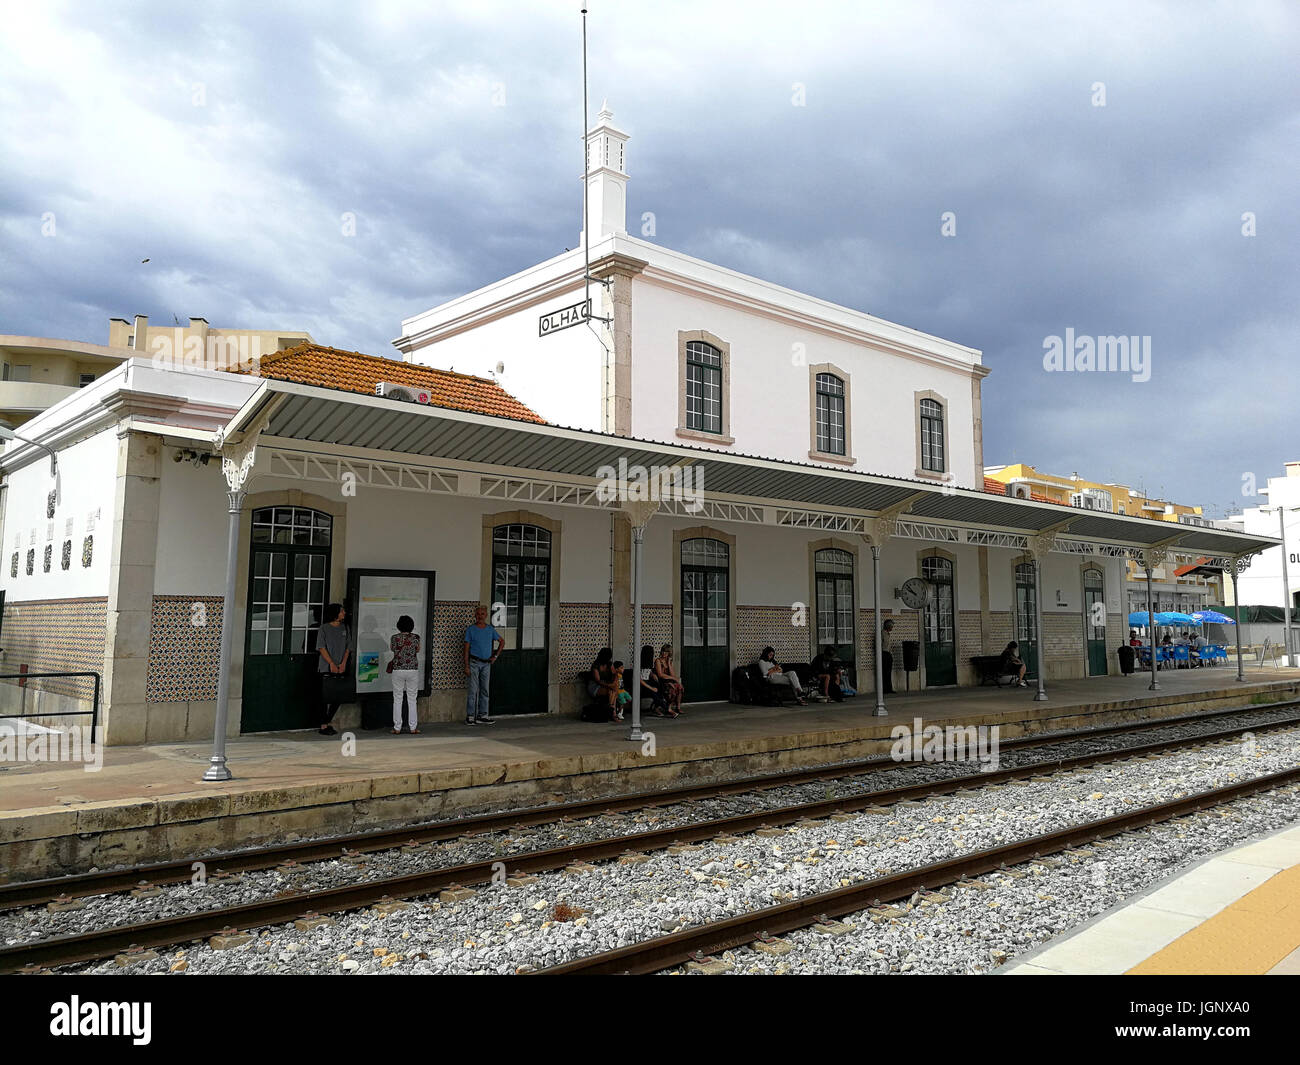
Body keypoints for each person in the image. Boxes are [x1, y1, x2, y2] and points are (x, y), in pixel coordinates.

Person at [463, 605, 504, 724]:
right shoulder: (471, 629)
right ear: (475, 615)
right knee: (473, 690)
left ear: (486, 616)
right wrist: (466, 665)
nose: (480, 616)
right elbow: (466, 648)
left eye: (482, 614)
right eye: (478, 614)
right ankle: (470, 716)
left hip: (486, 664)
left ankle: (483, 715)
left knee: (485, 689)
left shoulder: (490, 629)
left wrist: (495, 656)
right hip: (474, 662)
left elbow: (502, 641)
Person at [317, 603, 350, 735]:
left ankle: (326, 721)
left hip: (341, 666)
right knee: (325, 696)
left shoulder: (345, 628)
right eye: (342, 611)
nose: (344, 613)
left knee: (338, 695)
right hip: (326, 666)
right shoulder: (324, 628)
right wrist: (331, 663)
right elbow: (321, 647)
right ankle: (324, 724)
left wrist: (343, 664)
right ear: (335, 613)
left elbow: (348, 647)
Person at [389, 614, 421, 734]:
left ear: (399, 626)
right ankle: (413, 727)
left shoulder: (394, 637)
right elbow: (417, 650)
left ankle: (397, 727)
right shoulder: (416, 637)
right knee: (412, 699)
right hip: (412, 669)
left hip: (398, 670)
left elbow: (392, 649)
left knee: (397, 698)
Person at [639, 644, 674, 717]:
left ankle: (658, 709)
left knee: (660, 688)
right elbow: (640, 681)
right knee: (655, 692)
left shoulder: (648, 665)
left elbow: (649, 674)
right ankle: (667, 708)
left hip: (648, 684)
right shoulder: (639, 665)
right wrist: (651, 688)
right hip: (642, 687)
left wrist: (652, 674)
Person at [654, 644, 685, 716]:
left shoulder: (669, 661)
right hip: (661, 681)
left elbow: (672, 675)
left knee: (679, 687)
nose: (664, 653)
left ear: (669, 653)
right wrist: (673, 679)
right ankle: (669, 707)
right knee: (672, 688)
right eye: (663, 651)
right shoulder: (658, 661)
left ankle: (678, 707)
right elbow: (660, 675)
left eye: (666, 652)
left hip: (668, 680)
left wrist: (669, 663)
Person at [588, 647, 619, 717]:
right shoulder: (595, 665)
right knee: (612, 691)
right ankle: (613, 712)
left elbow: (615, 674)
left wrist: (614, 683)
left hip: (607, 685)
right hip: (595, 686)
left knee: (613, 690)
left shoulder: (609, 664)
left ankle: (611, 711)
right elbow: (598, 681)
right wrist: (610, 685)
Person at [880, 619, 896, 694]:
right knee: (884, 672)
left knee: (889, 672)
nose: (892, 628)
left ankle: (889, 688)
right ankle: (884, 689)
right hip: (883, 654)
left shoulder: (888, 634)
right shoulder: (882, 633)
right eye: (891, 626)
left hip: (888, 654)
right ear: (888, 626)